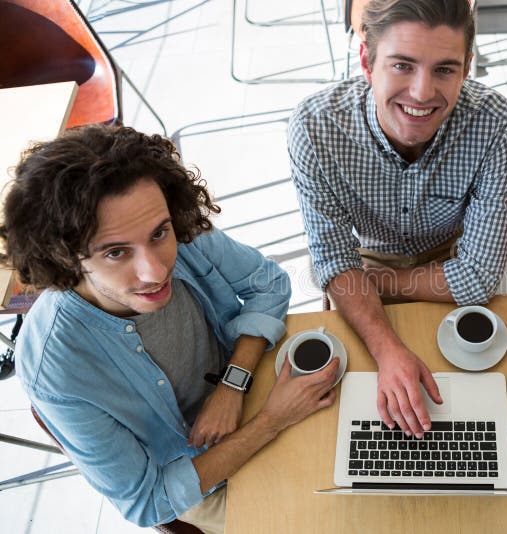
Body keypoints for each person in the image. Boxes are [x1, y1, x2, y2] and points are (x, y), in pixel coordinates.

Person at [0, 125, 338, 532]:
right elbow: (148, 500)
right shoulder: (55, 366)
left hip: (255, 391)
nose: (156, 270)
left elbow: (268, 284)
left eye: (159, 234)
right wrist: (270, 421)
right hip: (203, 477)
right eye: (116, 252)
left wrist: (233, 385)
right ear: (66, 255)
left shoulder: (170, 227)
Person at [288, 0, 507, 439]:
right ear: (366, 60)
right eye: (402, 65)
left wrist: (369, 281)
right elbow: (335, 257)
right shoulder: (314, 127)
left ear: (467, 67)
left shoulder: (498, 126)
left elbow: (477, 279)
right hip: (368, 261)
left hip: (441, 266)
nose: (421, 93)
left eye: (444, 70)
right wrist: (386, 347)